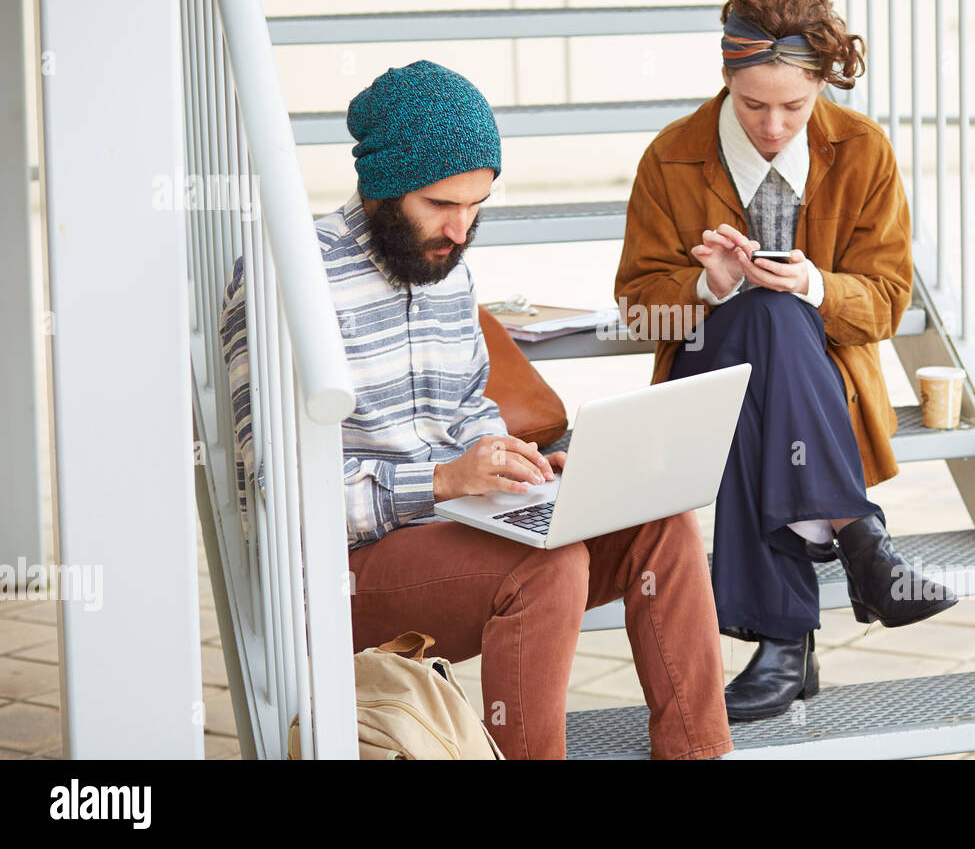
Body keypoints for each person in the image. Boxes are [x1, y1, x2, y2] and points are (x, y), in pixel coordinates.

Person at [220, 60, 732, 760]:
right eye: (440, 205)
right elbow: (276, 495)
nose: (461, 231)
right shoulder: (288, 283)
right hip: (338, 574)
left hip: (451, 539)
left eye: (476, 207)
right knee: (545, 568)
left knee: (660, 524)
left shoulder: (444, 268)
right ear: (381, 187)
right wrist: (440, 483)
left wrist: (512, 467)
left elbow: (464, 411)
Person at [614, 0, 957, 723]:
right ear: (727, 77)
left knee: (773, 331)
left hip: (816, 377)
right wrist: (708, 290)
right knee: (753, 328)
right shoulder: (671, 156)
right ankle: (860, 540)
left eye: (795, 107)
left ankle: (782, 643)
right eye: (753, 104)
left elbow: (887, 301)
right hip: (707, 363)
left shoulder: (863, 150)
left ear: (823, 84)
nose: (773, 126)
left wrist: (811, 286)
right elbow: (640, 312)